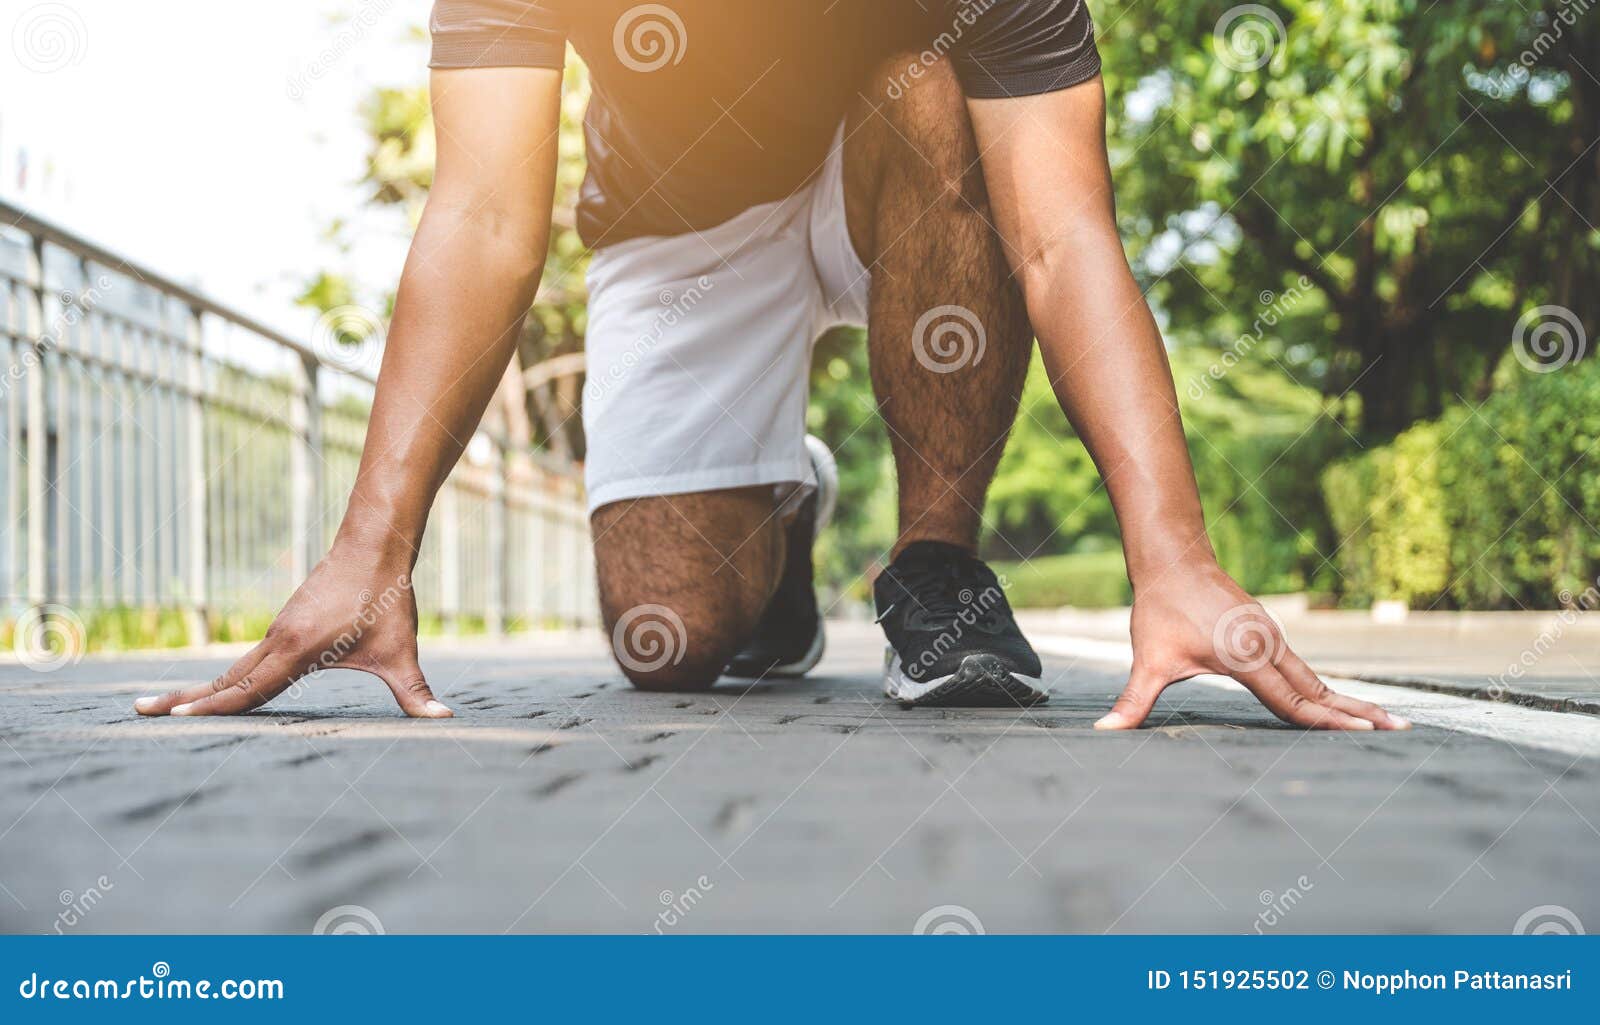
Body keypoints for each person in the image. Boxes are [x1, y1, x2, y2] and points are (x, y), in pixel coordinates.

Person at [136, 1, 1409, 731]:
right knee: (669, 641)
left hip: (898, 171)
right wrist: (373, 548)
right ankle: (780, 510)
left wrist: (1170, 554)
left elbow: (1062, 232)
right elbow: (479, 217)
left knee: (927, 88)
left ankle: (936, 563)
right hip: (681, 225)